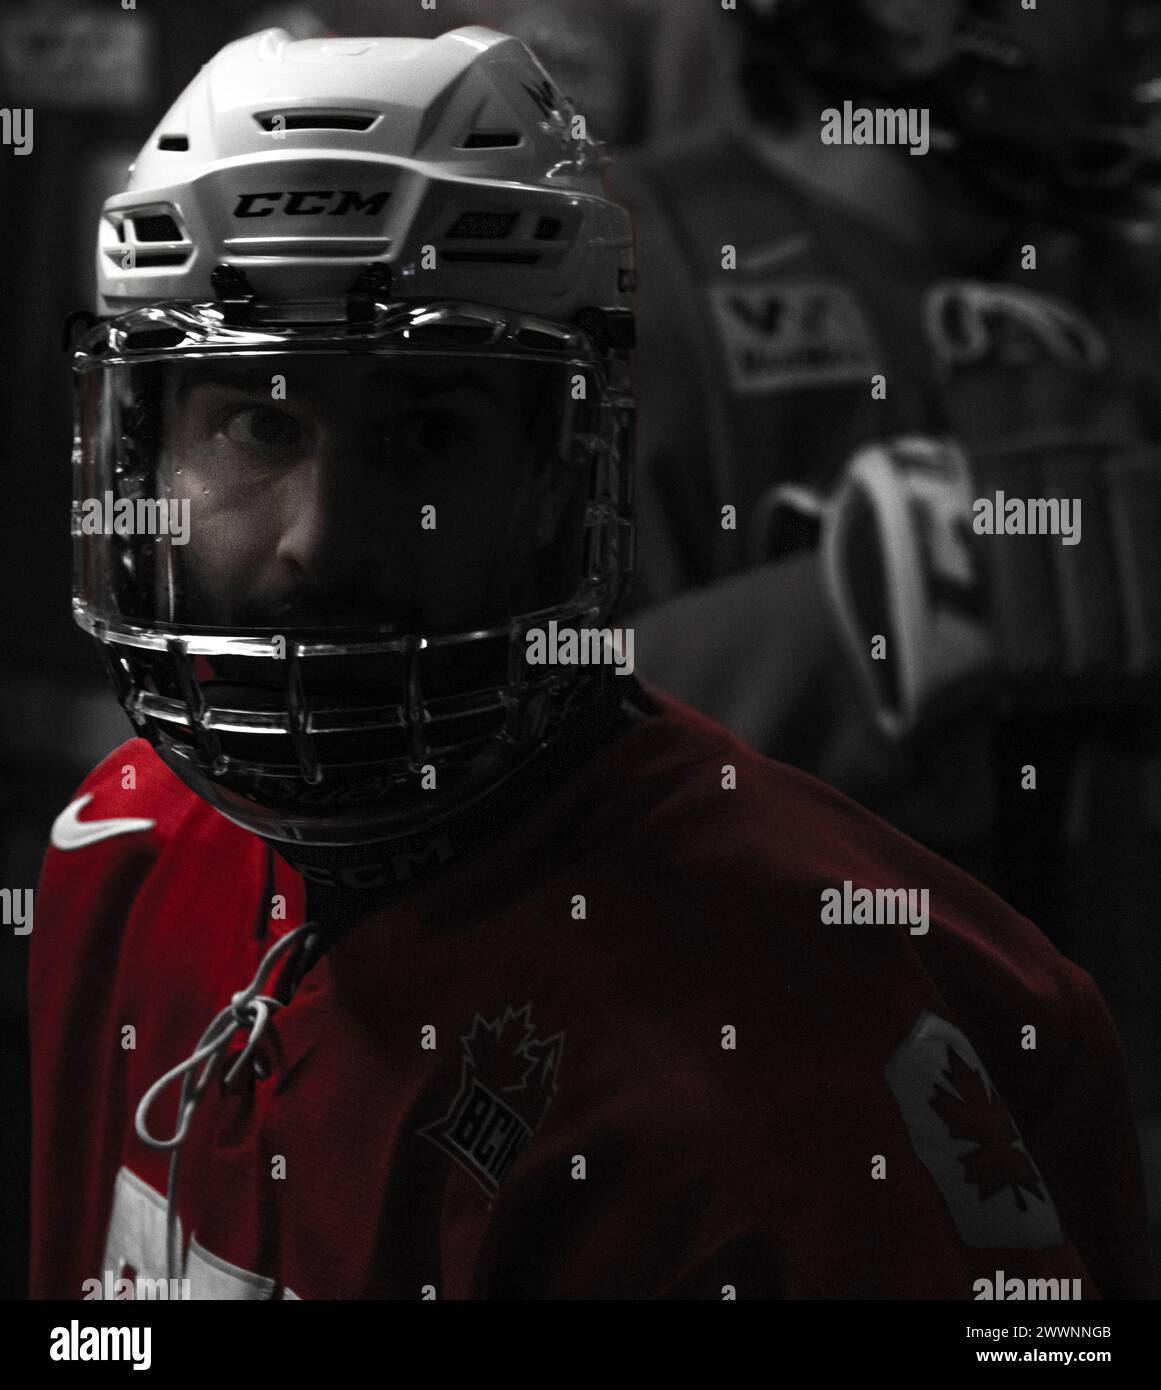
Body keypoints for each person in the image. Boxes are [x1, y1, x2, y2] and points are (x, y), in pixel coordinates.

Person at [30, 24, 1146, 1300]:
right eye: (261, 419)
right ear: (140, 461)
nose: (320, 541)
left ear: (564, 476)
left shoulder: (793, 1090)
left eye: (429, 432)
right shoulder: (112, 853)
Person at [609, 0, 1161, 1252]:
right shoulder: (630, 262)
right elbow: (492, 767)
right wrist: (877, 614)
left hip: (1087, 1161)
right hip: (774, 1181)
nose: (1137, 31)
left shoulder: (1120, 286)